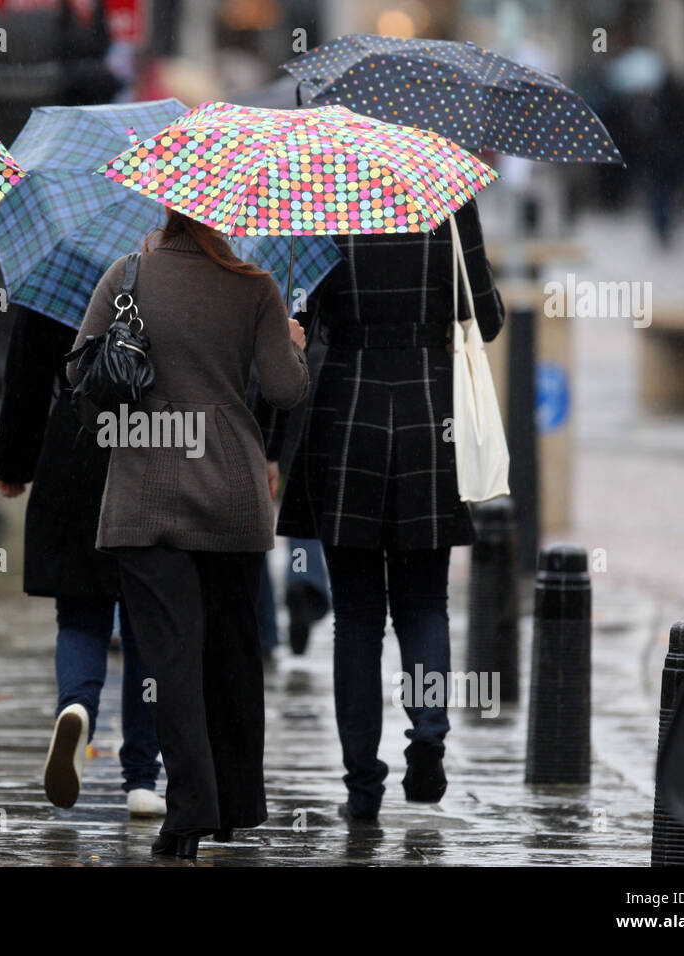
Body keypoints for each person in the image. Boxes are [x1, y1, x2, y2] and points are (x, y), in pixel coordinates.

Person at [68, 209, 309, 858]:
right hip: (230, 494)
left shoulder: (127, 275)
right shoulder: (256, 284)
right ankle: (233, 805)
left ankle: (189, 811)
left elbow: (78, 374)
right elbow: (285, 391)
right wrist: (292, 343)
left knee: (170, 658)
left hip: (144, 497)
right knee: (232, 653)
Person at [274, 199, 504, 822]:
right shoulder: (449, 201)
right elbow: (485, 317)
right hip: (433, 418)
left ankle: (362, 787)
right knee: (425, 603)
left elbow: (301, 322)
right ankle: (427, 735)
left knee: (356, 621)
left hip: (348, 419)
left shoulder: (328, 198)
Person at [0, 305, 164, 817]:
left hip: (75, 445)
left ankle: (77, 705)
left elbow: (25, 372)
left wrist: (14, 461)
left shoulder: (58, 272)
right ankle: (140, 777)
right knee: (147, 626)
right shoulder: (172, 269)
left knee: (80, 613)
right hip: (153, 445)